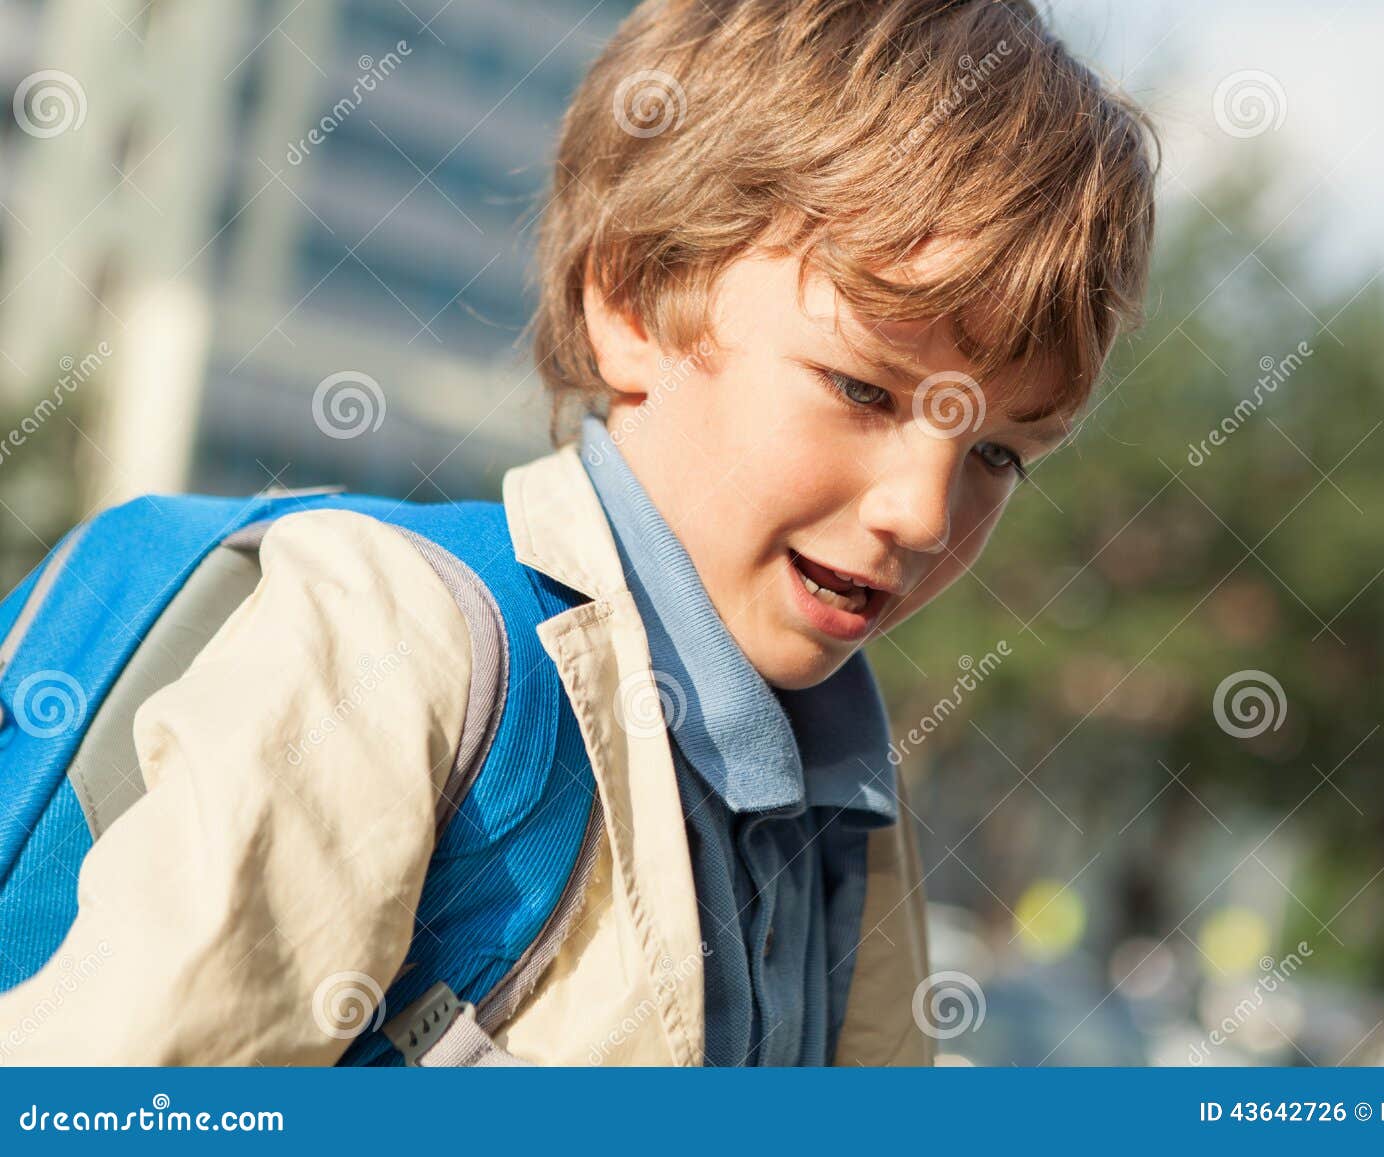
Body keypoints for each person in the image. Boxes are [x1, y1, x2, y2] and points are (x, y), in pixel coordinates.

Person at [0, 0, 1157, 1065]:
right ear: (633, 301)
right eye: (862, 389)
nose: (920, 510)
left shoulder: (851, 820)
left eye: (998, 452)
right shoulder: (395, 646)